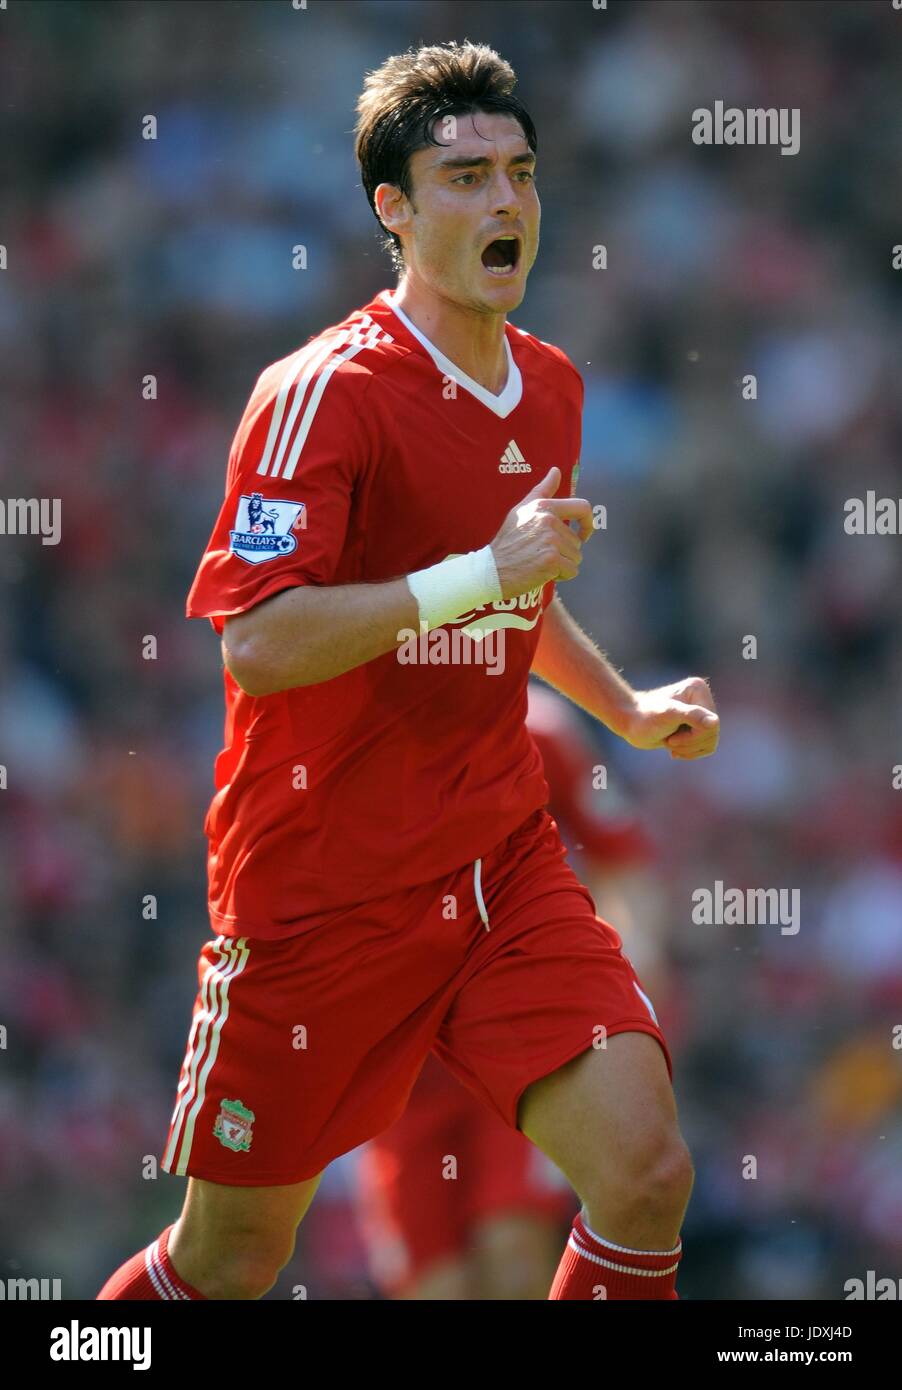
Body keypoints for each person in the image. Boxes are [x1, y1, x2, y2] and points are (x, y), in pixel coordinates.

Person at [98, 39, 718, 1303]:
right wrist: (482, 572)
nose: (505, 200)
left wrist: (623, 706)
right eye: (465, 177)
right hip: (320, 895)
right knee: (231, 1257)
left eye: (519, 172)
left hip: (497, 866)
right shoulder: (321, 393)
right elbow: (259, 639)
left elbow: (515, 598)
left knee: (646, 1172)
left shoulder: (548, 388)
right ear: (392, 207)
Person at [355, 682, 659, 1300]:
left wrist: (630, 980)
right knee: (436, 1288)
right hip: (405, 1066)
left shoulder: (539, 732)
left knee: (515, 1258)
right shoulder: (350, 742)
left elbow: (622, 863)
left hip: (517, 1042)